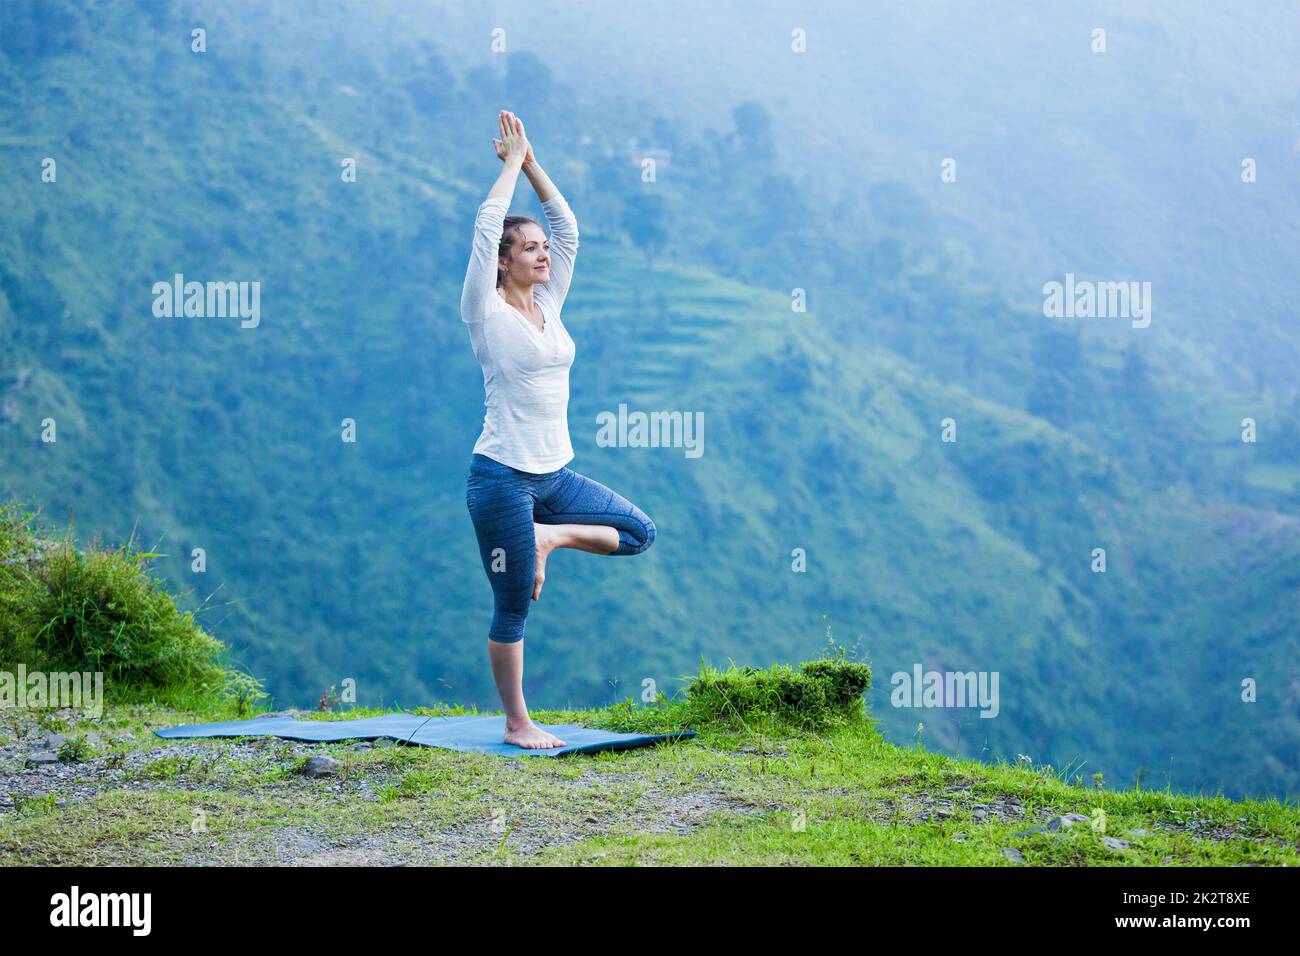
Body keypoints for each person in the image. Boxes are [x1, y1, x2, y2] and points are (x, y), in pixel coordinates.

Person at [461, 111, 656, 749]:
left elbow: (569, 229)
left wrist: (534, 162)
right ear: (501, 263)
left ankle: (550, 539)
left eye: (543, 249)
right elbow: (486, 225)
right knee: (513, 604)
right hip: (500, 480)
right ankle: (518, 722)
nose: (544, 254)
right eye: (530, 249)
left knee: (637, 532)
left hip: (555, 476)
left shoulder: (550, 303)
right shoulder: (483, 311)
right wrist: (509, 168)